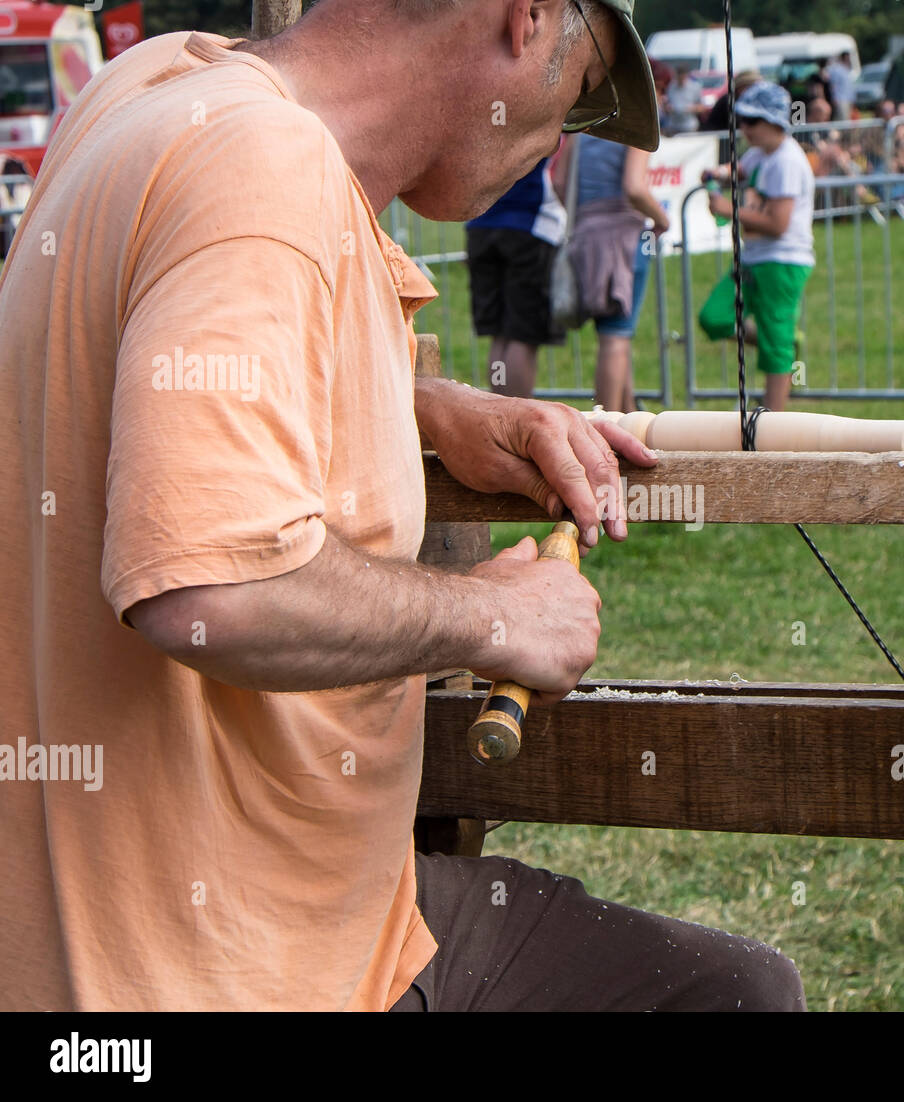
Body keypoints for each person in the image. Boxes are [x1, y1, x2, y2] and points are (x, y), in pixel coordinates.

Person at [0, 0, 806, 1013]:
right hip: (227, 967)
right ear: (527, 19)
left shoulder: (153, 86)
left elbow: (126, 348)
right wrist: (498, 616)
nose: (562, 140)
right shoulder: (263, 163)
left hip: (168, 930)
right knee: (732, 996)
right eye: (580, 95)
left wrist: (420, 403)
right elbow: (212, 586)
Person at [698, 81, 814, 413]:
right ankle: (782, 338)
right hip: (753, 259)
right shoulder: (763, 152)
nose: (743, 127)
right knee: (715, 316)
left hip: (782, 262)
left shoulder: (787, 161)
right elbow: (742, 169)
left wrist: (728, 210)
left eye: (751, 121)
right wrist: (719, 173)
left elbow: (779, 224)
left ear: (775, 122)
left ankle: (773, 426)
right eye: (742, 120)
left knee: (775, 347)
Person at [553, 133, 669, 411]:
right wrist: (663, 220)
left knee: (613, 334)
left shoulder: (582, 132)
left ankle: (629, 417)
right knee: (615, 338)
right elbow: (635, 188)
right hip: (623, 238)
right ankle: (610, 427)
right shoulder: (635, 128)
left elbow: (559, 183)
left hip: (585, 236)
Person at [464, 156, 566, 397]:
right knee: (522, 335)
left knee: (500, 335)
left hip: (481, 224)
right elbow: (560, 179)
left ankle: (501, 418)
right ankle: (517, 421)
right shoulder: (541, 119)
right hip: (530, 225)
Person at [664, 64, 704, 133]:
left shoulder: (695, 87)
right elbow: (666, 105)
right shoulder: (670, 87)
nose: (680, 79)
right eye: (678, 76)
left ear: (686, 75)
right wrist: (668, 108)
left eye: (682, 76)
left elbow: (702, 107)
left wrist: (691, 109)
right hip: (673, 126)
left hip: (690, 127)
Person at [826, 50, 855, 121]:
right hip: (840, 100)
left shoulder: (847, 70)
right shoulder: (837, 70)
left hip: (847, 100)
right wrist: (835, 99)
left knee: (847, 120)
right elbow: (833, 86)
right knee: (841, 121)